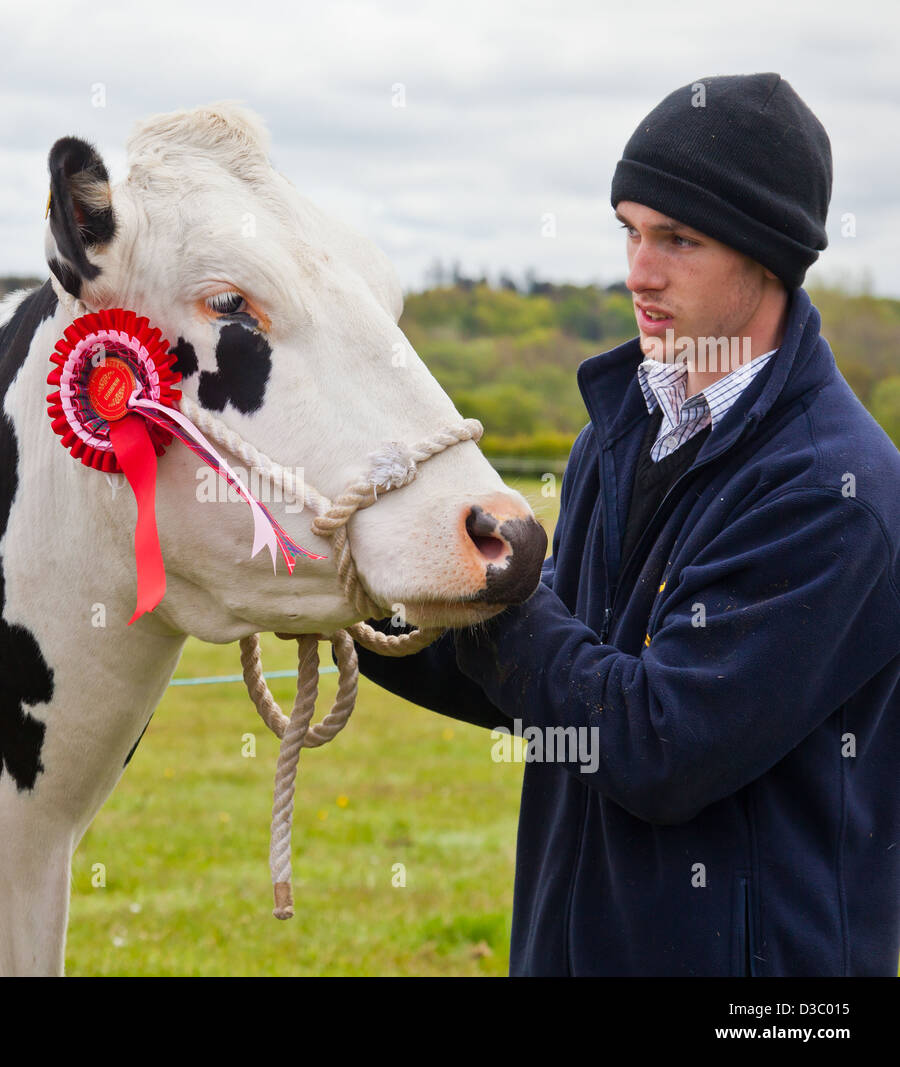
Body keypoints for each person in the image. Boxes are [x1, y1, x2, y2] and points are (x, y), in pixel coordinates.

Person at [353, 73, 900, 976]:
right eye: (631, 231)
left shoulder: (835, 492)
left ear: (768, 257)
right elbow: (543, 688)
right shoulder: (619, 436)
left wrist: (507, 582)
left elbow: (657, 743)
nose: (638, 272)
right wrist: (354, 596)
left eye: (678, 239)